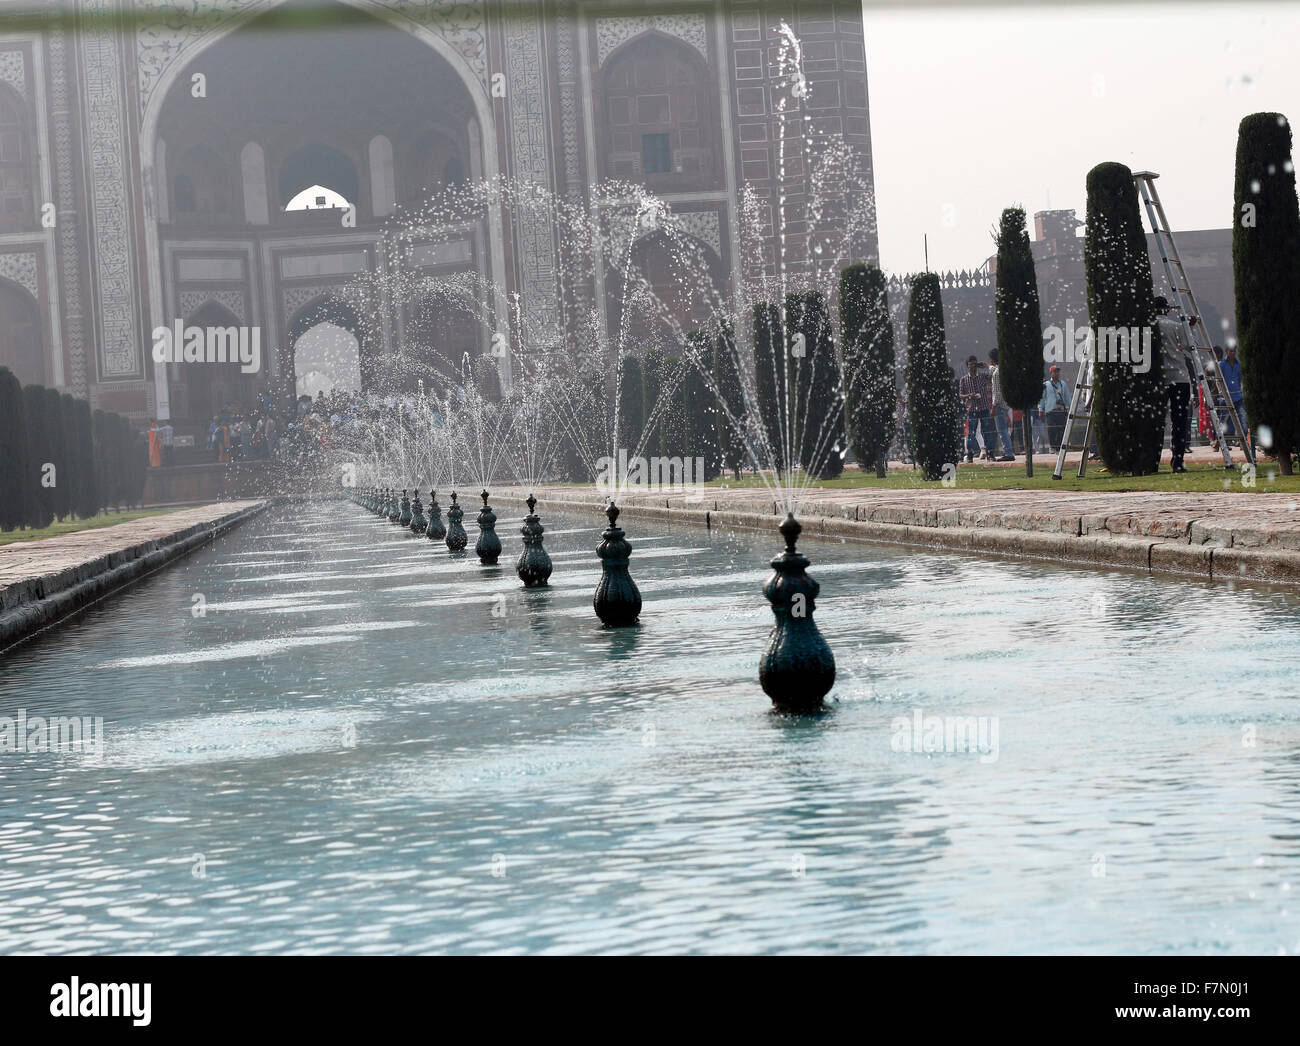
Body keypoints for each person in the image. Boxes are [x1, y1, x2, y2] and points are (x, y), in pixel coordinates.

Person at [1155, 296, 1193, 473]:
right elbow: (1187, 345)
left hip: (1159, 379)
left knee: (1156, 422)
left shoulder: (1148, 328)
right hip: (1179, 378)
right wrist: (1188, 327)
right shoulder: (1174, 326)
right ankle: (1177, 461)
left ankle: (1153, 459)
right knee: (1179, 422)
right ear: (1167, 309)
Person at [957, 355, 996, 464]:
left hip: (984, 407)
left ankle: (990, 454)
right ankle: (970, 455)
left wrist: (986, 366)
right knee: (971, 433)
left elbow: (995, 374)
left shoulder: (983, 376)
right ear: (967, 365)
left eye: (975, 363)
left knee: (987, 432)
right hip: (972, 409)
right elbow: (960, 395)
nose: (973, 366)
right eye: (971, 364)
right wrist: (969, 395)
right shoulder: (964, 379)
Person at [987, 349, 1015, 460]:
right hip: (1005, 404)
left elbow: (997, 392)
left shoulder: (996, 374)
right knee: (1004, 430)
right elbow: (994, 369)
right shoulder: (1003, 370)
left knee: (1002, 431)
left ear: (993, 359)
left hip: (998, 405)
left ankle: (1008, 453)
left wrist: (993, 408)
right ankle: (1008, 452)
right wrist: (986, 365)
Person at [1038, 365, 1071, 452]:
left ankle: (1059, 447)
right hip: (1050, 411)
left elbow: (1067, 397)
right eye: (1055, 372)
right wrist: (1040, 409)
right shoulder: (1046, 385)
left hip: (1061, 411)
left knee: (1061, 430)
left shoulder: (1063, 384)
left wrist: (1071, 407)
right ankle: (1053, 447)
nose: (1057, 373)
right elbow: (1041, 399)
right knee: (1052, 430)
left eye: (1058, 372)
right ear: (1051, 373)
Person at [1219, 343, 1247, 440]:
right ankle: (1217, 441)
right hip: (1225, 397)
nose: (1233, 353)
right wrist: (1220, 390)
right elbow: (1218, 379)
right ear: (1226, 351)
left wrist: (1240, 390)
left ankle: (1242, 442)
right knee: (1223, 420)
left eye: (1234, 351)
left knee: (1243, 418)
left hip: (1237, 396)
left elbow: (1240, 379)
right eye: (1231, 351)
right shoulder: (1221, 364)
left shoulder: (1239, 365)